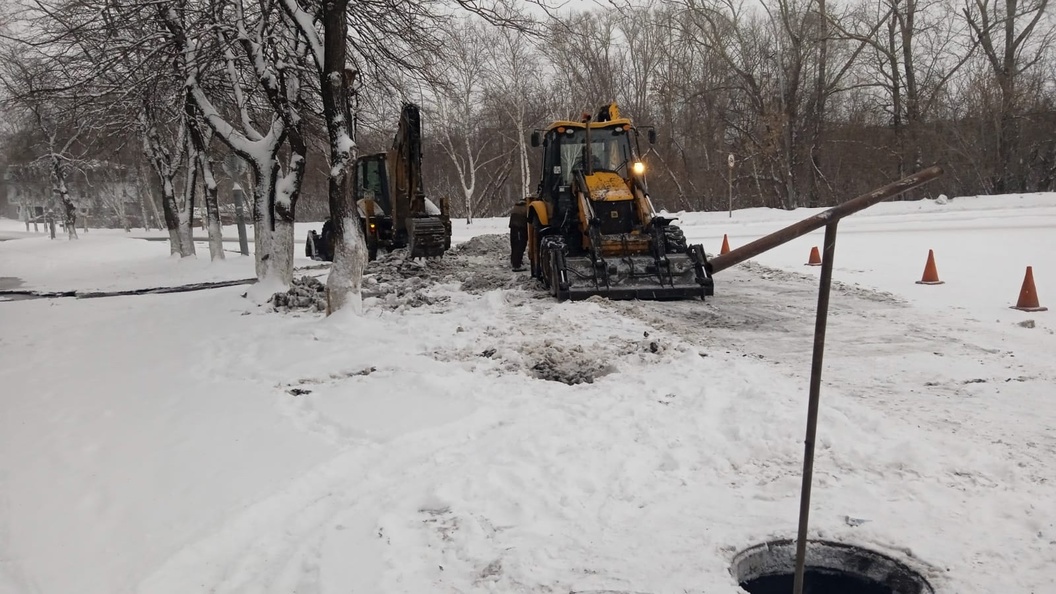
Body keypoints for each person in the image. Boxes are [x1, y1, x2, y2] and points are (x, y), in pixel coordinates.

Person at [509, 198, 528, 271]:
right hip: (520, 228)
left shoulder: (516, 206)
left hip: (514, 227)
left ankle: (514, 262)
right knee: (519, 246)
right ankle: (517, 265)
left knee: (514, 245)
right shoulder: (525, 208)